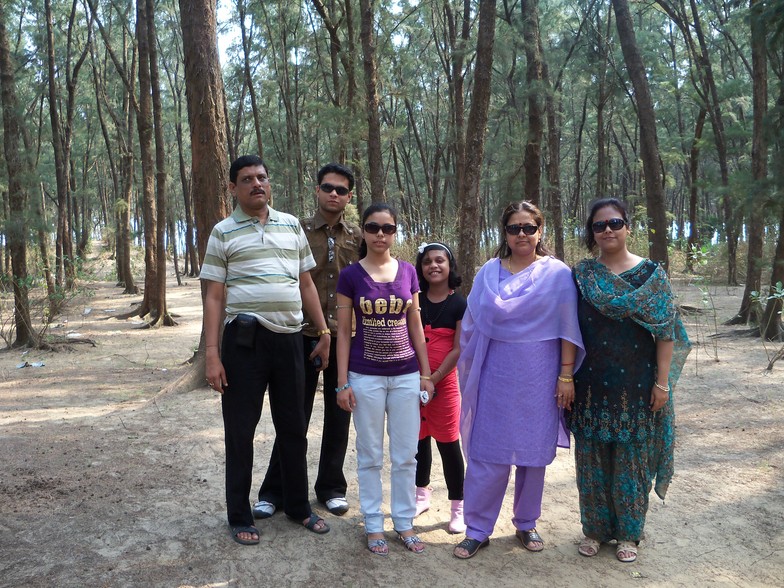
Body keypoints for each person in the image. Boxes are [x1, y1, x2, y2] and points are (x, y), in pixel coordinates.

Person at [200, 155, 332, 545]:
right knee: (240, 431)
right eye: (247, 179)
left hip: (291, 339)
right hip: (245, 343)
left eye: (262, 178)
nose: (257, 184)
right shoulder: (223, 232)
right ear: (233, 188)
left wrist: (322, 329)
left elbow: (306, 283)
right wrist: (211, 353)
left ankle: (297, 506)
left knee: (294, 428)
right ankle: (240, 515)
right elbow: (214, 296)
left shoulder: (291, 225)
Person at [453, 200, 585, 559]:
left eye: (529, 227)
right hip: (494, 371)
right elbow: (471, 328)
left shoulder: (557, 274)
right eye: (515, 228)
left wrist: (565, 376)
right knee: (487, 452)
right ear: (505, 233)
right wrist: (470, 371)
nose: (522, 234)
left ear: (540, 231)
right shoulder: (488, 272)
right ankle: (477, 529)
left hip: (540, 373)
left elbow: (567, 330)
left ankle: (526, 522)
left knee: (531, 453)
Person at [569, 198, 691, 563]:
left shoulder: (651, 275)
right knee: (590, 458)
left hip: (637, 383)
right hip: (589, 382)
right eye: (599, 225)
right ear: (591, 232)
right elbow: (567, 326)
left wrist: (663, 383)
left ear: (628, 227)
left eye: (615, 223)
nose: (607, 230)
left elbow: (666, 333)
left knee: (631, 460)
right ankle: (594, 530)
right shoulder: (583, 275)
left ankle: (629, 534)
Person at [256, 163, 359, 519]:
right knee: (292, 416)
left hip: (345, 338)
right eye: (328, 187)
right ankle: (276, 490)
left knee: (338, 414)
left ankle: (331, 487)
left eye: (341, 190)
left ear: (348, 197)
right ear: (317, 190)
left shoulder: (358, 237)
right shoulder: (294, 230)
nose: (334, 194)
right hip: (300, 335)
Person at [335, 203, 435, 556]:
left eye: (388, 228)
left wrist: (425, 374)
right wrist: (343, 381)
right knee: (370, 453)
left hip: (406, 375)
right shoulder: (350, 276)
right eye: (373, 227)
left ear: (396, 232)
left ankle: (404, 522)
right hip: (366, 376)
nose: (381, 234)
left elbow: (416, 327)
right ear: (363, 231)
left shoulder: (408, 272)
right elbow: (344, 333)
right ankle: (374, 524)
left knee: (406, 454)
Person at [413, 242, 467, 534]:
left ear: (449, 266)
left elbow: (458, 348)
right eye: (426, 262)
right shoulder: (414, 300)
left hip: (444, 386)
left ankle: (458, 506)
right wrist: (420, 378)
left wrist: (433, 379)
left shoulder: (460, 303)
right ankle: (421, 494)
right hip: (413, 383)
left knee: (448, 445)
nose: (433, 266)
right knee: (418, 442)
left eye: (439, 261)